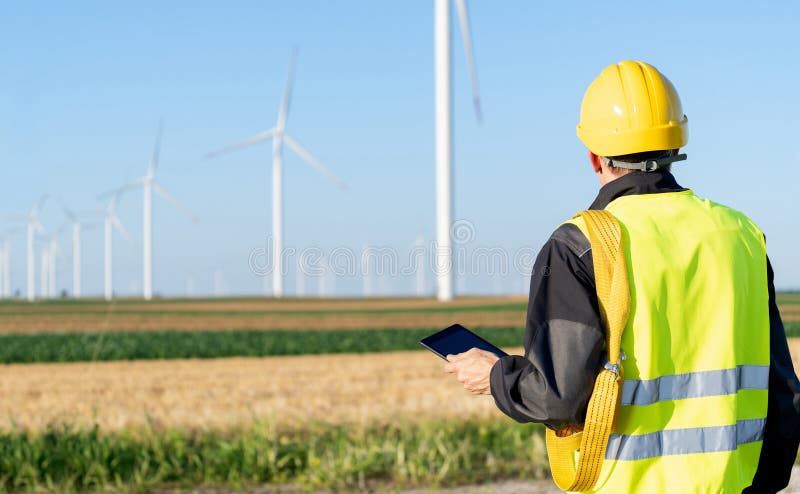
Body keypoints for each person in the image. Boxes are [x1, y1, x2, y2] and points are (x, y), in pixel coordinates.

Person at [444, 60, 800, 493]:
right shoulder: (741, 234)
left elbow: (559, 396)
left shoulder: (581, 244)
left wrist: (497, 375)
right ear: (675, 144)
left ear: (594, 155)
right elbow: (782, 389)